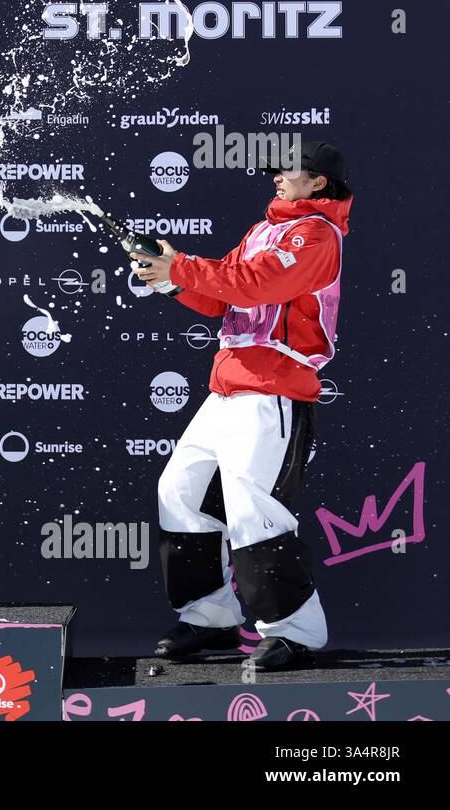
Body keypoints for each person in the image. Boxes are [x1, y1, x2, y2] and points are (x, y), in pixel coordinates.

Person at [132, 139, 352, 670]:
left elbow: (257, 285)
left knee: (253, 507)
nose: (275, 177)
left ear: (319, 181)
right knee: (179, 491)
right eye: (272, 169)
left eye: (288, 171)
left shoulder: (317, 234)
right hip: (228, 386)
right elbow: (220, 297)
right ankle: (209, 617)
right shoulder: (263, 230)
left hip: (273, 390)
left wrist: (181, 265)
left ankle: (295, 632)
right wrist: (168, 277)